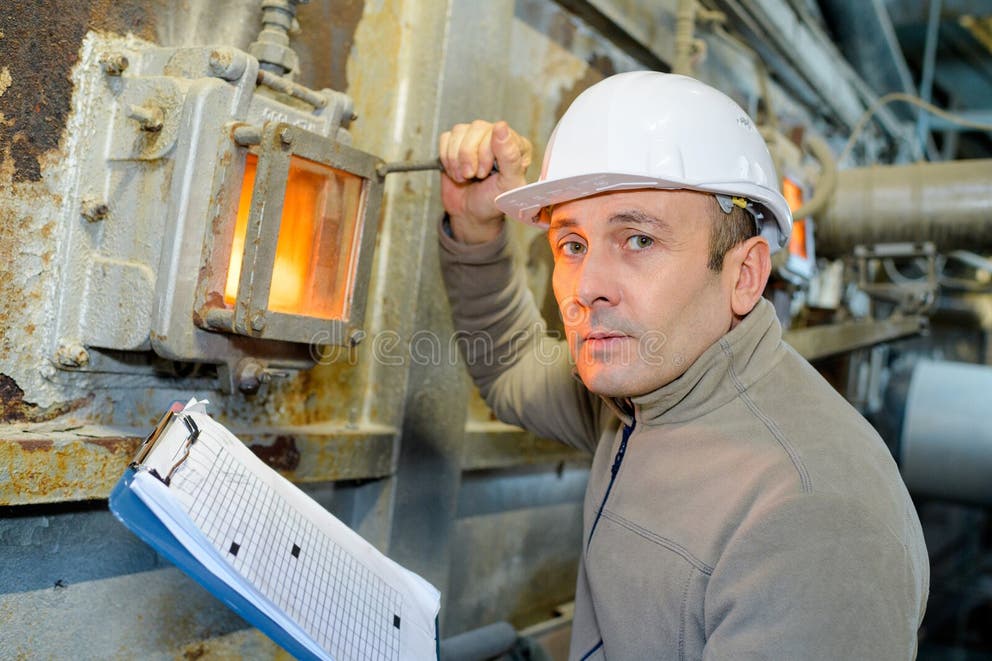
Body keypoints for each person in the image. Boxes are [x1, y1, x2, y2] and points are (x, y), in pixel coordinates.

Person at [436, 71, 929, 660]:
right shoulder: (641, 396)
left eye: (638, 240)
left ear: (744, 275)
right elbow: (512, 367)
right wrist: (475, 230)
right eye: (573, 245)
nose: (586, 287)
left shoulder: (818, 520)